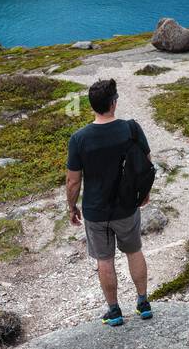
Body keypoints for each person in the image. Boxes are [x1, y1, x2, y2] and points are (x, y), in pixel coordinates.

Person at [65, 78, 152, 326]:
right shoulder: (131, 128)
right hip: (126, 206)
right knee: (134, 251)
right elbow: (145, 163)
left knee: (105, 260)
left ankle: (114, 311)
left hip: (96, 212)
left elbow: (73, 181)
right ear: (113, 103)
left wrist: (71, 207)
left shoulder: (79, 139)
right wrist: (143, 193)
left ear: (92, 106)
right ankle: (143, 303)